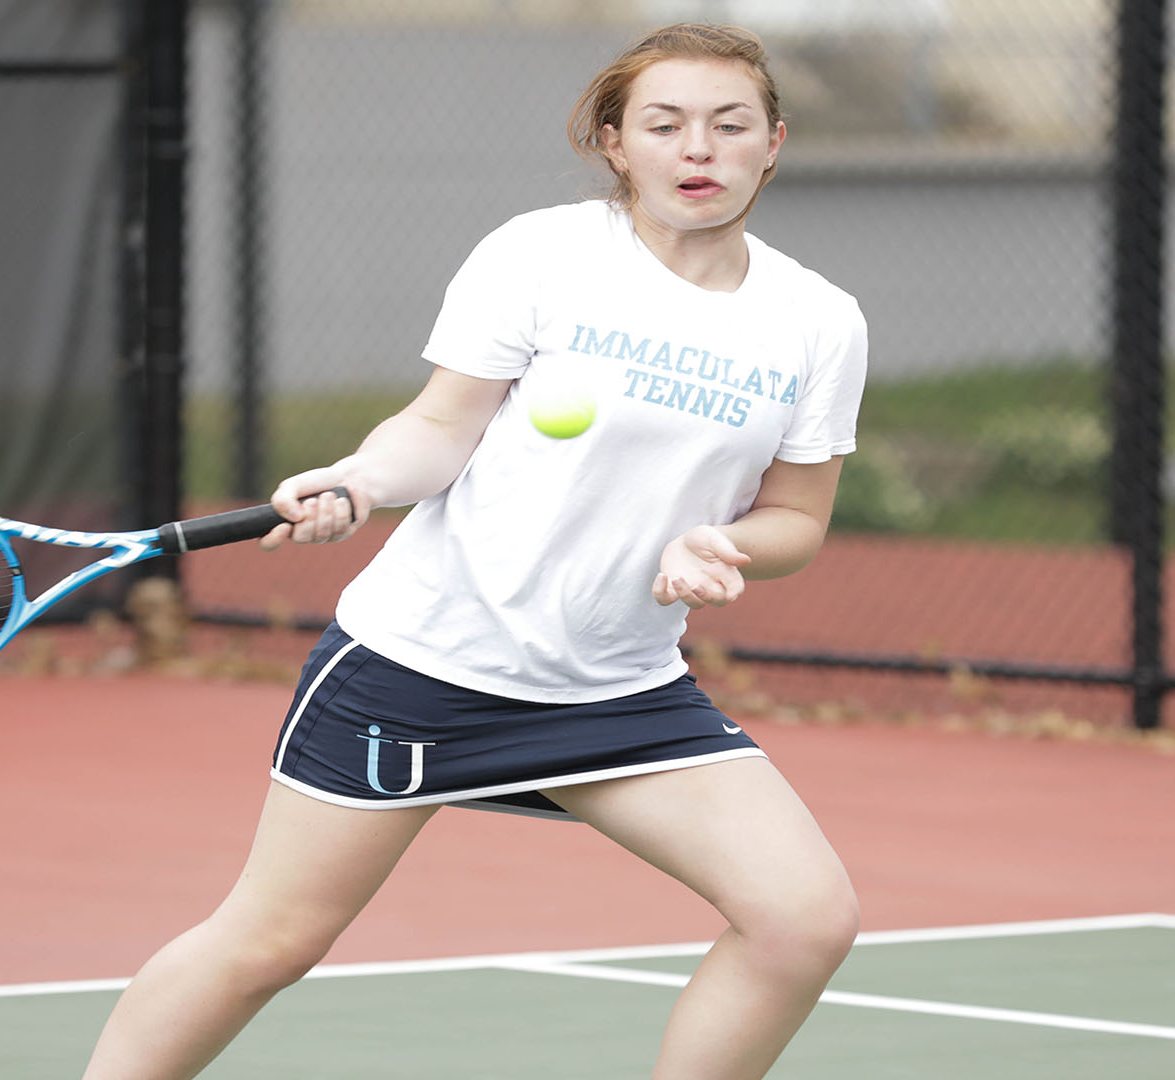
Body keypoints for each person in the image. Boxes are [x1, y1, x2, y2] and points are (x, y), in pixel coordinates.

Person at [82, 21, 868, 1079]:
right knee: (271, 943)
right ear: (613, 142)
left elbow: (798, 520)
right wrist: (359, 480)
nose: (699, 149)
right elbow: (438, 430)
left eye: (730, 126)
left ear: (771, 143)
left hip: (617, 689)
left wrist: (723, 543)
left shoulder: (817, 321)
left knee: (804, 918)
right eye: (665, 124)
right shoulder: (542, 254)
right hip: (426, 668)